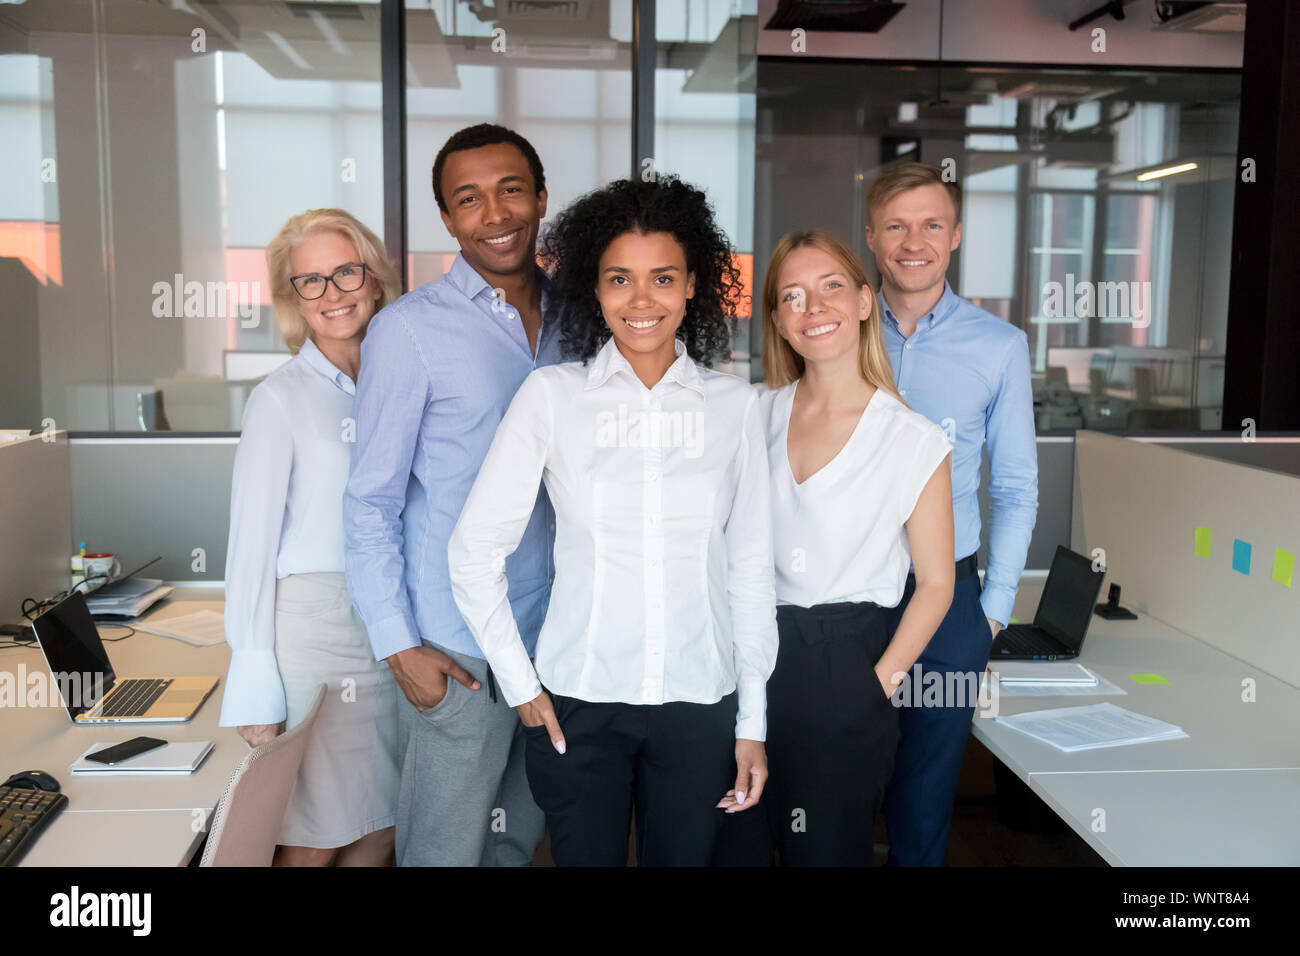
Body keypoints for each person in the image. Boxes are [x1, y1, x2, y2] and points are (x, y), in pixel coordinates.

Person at [448, 175, 779, 867]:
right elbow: (474, 551)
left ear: (693, 284)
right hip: (579, 702)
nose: (641, 300)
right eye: (618, 279)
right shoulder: (552, 397)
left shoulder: (736, 408)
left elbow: (750, 571)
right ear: (594, 290)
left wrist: (752, 722)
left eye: (662, 278)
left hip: (699, 701)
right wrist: (521, 684)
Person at [343, 124, 564, 867]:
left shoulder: (586, 320)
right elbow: (369, 502)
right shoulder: (407, 332)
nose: (493, 215)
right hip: (456, 647)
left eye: (509, 190)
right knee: (442, 855)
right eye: (468, 200)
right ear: (447, 219)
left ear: (540, 196)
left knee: (514, 846)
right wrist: (399, 645)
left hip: (552, 644)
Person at [738, 229, 954, 866]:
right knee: (738, 841)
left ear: (865, 301)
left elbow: (937, 584)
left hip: (844, 665)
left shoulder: (911, 438)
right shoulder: (755, 415)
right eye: (793, 297)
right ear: (778, 320)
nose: (815, 308)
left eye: (831, 287)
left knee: (824, 852)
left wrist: (876, 686)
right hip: (746, 654)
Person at [865, 162, 1039, 866]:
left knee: (926, 790)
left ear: (956, 234)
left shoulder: (998, 347)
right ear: (872, 236)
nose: (916, 241)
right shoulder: (833, 328)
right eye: (898, 225)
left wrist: (992, 609)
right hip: (844, 595)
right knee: (830, 779)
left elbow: (1018, 487)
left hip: (950, 601)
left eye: (932, 224)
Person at [219, 208, 403, 866]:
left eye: (345, 272)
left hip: (391, 627)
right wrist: (253, 680)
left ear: (373, 276)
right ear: (292, 297)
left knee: (381, 827)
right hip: (312, 635)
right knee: (312, 837)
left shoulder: (401, 379)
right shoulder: (279, 399)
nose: (333, 294)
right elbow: (250, 548)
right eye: (311, 281)